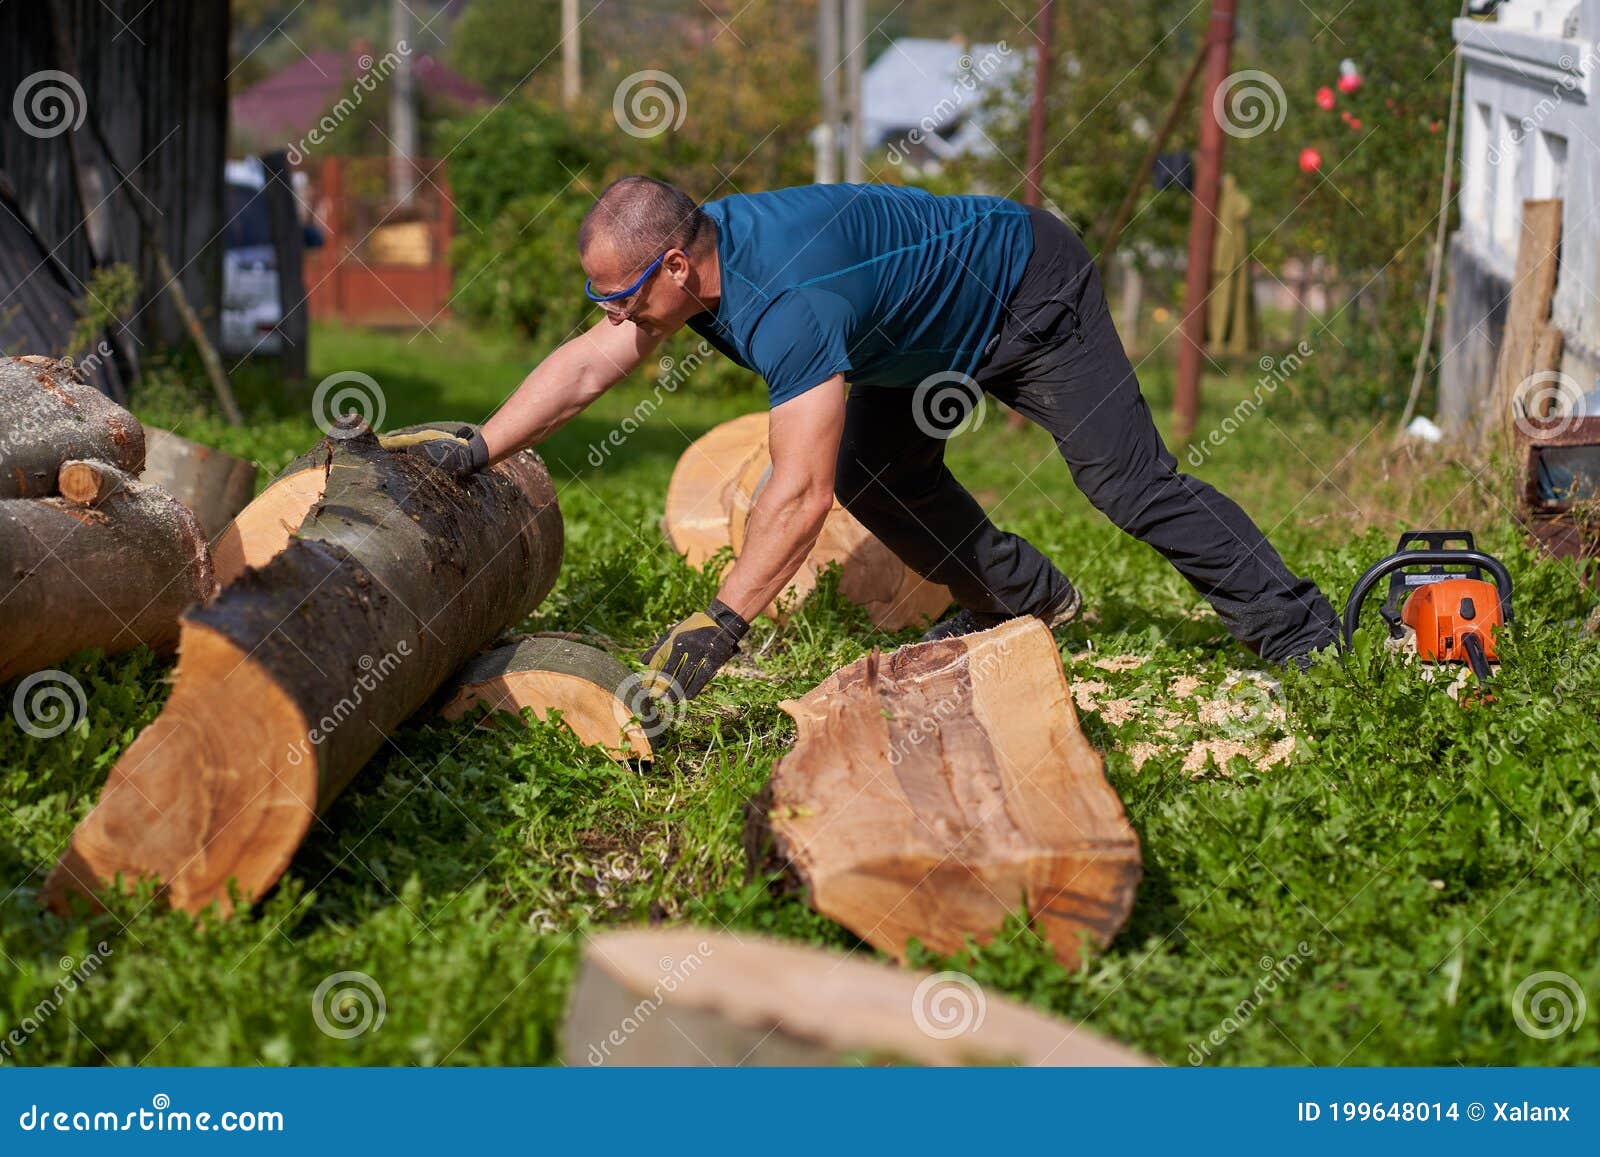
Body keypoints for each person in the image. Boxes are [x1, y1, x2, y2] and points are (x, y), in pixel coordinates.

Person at [399, 177, 1339, 701]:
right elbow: (585, 368)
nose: (614, 317)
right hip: (922, 338)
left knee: (1126, 486)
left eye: (622, 297)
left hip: (1028, 295)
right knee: (873, 472)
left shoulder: (786, 305)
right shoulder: (700, 267)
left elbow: (794, 494)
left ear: (678, 263)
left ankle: (1303, 630)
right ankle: (1025, 600)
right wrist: (476, 449)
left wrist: (720, 624)